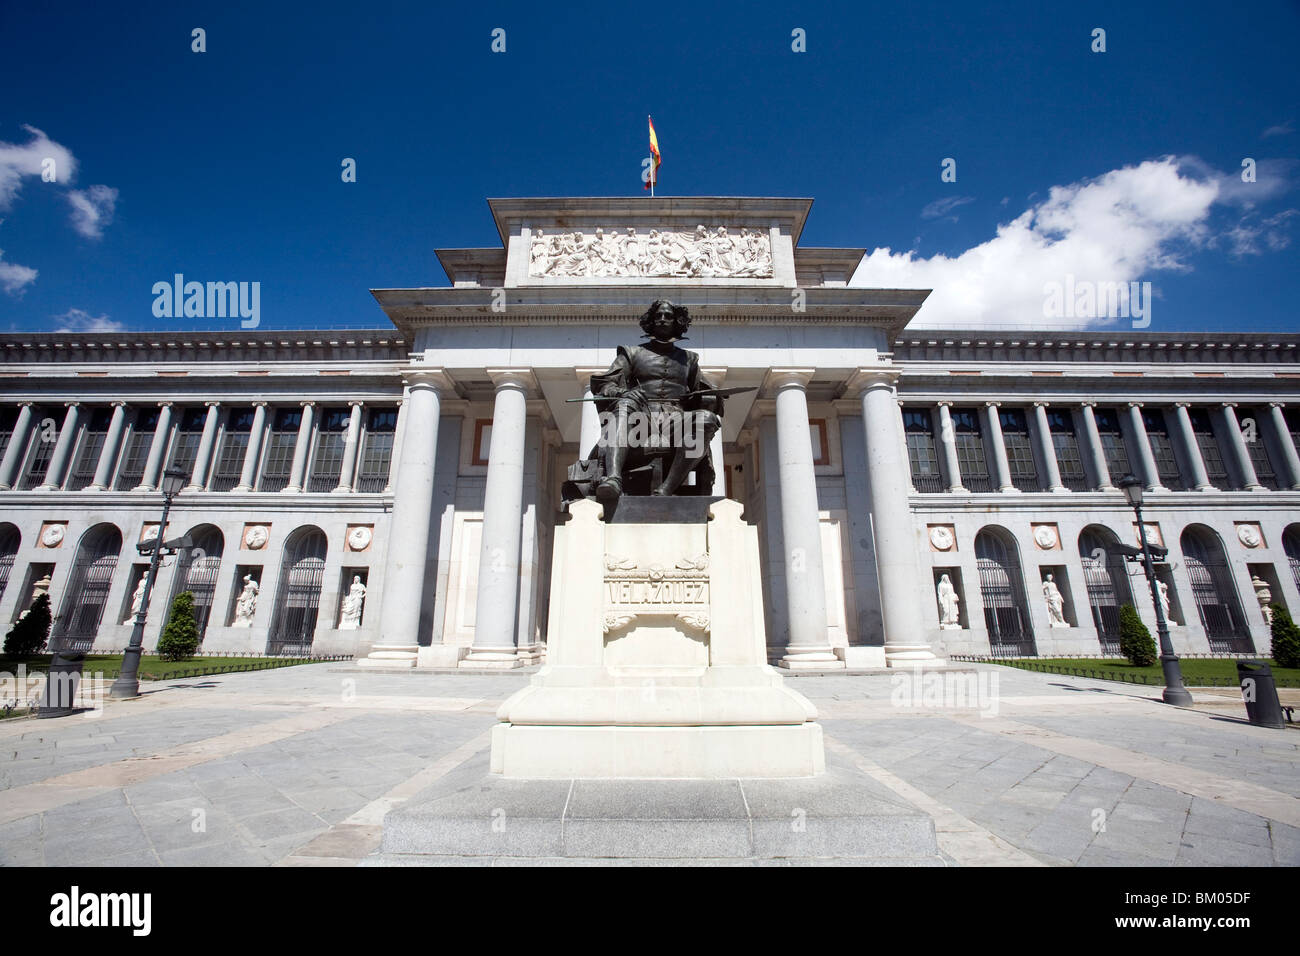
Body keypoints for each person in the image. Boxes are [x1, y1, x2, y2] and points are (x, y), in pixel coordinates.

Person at [588, 300, 722, 500]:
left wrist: (711, 397)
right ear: (650, 321)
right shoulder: (631, 353)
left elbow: (703, 393)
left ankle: (666, 490)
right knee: (625, 404)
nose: (662, 319)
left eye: (668, 316)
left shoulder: (689, 359)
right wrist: (622, 393)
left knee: (707, 419)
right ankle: (613, 479)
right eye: (658, 315)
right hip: (641, 418)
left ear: (677, 322)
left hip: (676, 422)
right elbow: (605, 384)